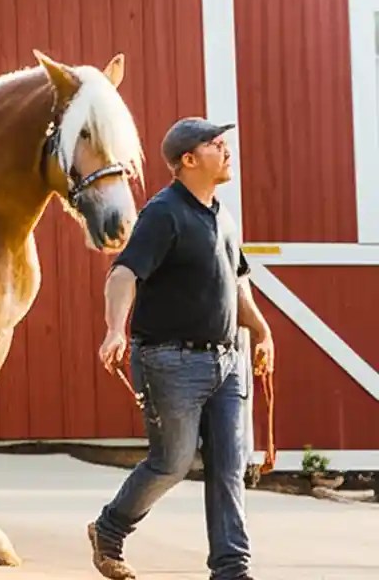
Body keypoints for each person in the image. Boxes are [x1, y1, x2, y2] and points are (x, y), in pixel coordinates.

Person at [87, 118, 275, 580]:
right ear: (188, 160)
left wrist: (264, 331)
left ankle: (232, 569)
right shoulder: (164, 213)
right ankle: (109, 530)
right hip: (170, 361)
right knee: (171, 463)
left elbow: (238, 286)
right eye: (216, 144)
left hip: (228, 362)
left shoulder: (222, 215)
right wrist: (115, 330)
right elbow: (124, 274)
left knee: (230, 467)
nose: (227, 149)